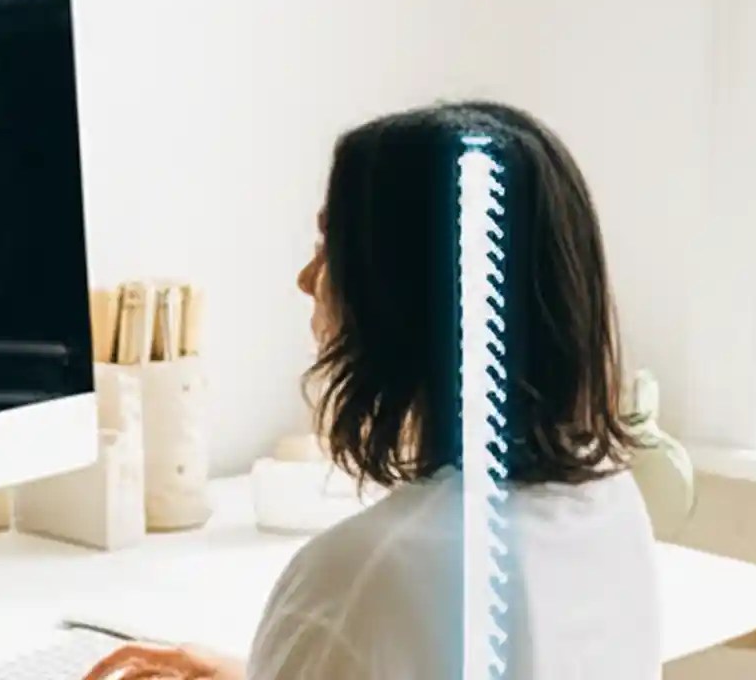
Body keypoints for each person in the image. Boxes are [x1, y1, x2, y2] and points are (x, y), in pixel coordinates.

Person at [84, 101, 660, 679]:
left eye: (329, 247)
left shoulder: (362, 579)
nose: (308, 280)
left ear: (399, 299)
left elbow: (367, 633)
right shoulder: (611, 505)